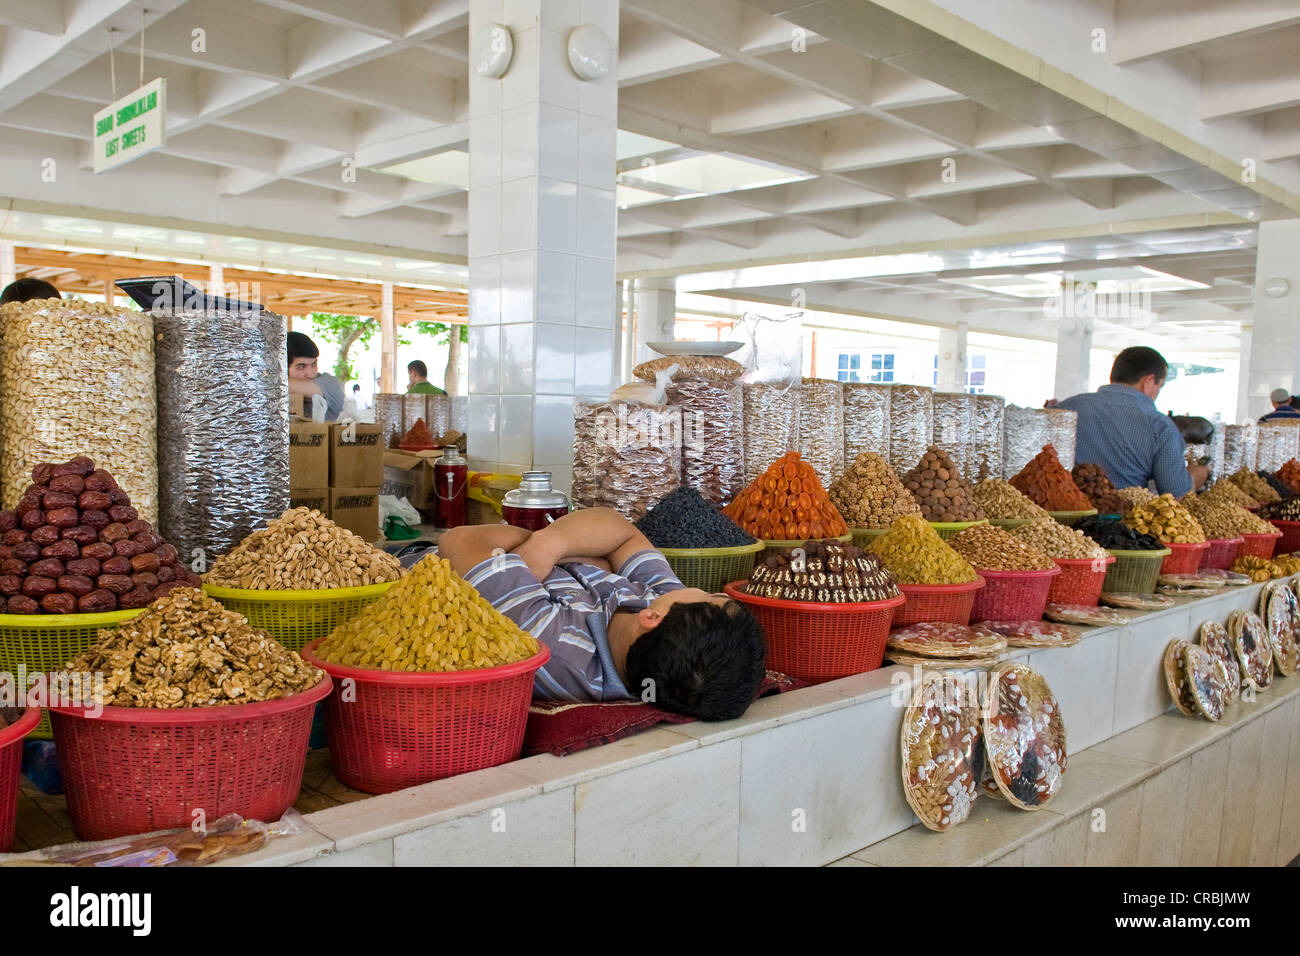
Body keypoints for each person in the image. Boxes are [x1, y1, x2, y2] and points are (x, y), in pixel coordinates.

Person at [439, 508, 767, 721]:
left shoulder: (555, 647)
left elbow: (459, 539)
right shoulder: (665, 618)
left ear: (653, 618)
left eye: (712, 596)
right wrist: (550, 546)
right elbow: (623, 531)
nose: (712, 591)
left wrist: (554, 546)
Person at [1056, 346, 1208, 496]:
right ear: (1148, 381)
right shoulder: (1160, 426)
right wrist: (1196, 477)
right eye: (1159, 386)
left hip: (1053, 515)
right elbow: (1176, 495)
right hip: (1124, 516)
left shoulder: (1065, 408)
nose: (1157, 393)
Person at [287, 330, 344, 421]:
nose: (310, 374)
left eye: (314, 364)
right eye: (301, 367)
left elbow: (284, 385)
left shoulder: (330, 384)